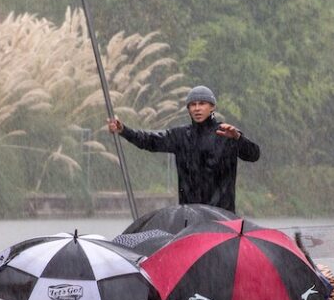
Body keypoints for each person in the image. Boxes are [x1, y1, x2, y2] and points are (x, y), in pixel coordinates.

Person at [108, 85, 260, 213]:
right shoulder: (180, 136)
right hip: (189, 214)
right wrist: (124, 130)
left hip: (221, 216)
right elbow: (149, 141)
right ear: (188, 108)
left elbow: (253, 154)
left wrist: (238, 138)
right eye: (192, 105)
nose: (197, 108)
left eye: (202, 103)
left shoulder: (226, 132)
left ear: (212, 106)